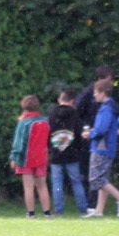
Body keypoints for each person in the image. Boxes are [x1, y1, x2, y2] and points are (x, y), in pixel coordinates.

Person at [83, 78, 119, 217]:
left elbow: (101, 130)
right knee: (103, 178)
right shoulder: (109, 107)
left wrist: (89, 134)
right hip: (107, 147)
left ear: (103, 93)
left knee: (95, 179)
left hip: (101, 147)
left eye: (96, 92)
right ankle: (99, 210)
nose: (94, 95)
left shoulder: (106, 109)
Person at [46, 88, 88, 216]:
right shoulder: (75, 115)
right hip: (72, 154)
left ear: (59, 100)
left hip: (56, 154)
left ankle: (59, 210)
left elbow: (48, 134)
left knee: (57, 183)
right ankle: (83, 209)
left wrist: (50, 148)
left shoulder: (51, 115)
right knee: (76, 182)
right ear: (72, 101)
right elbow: (81, 134)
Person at [9, 96, 52, 219]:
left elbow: (19, 142)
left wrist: (14, 157)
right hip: (41, 158)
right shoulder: (45, 121)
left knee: (28, 187)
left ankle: (31, 213)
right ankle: (47, 213)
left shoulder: (24, 123)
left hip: (26, 158)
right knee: (42, 186)